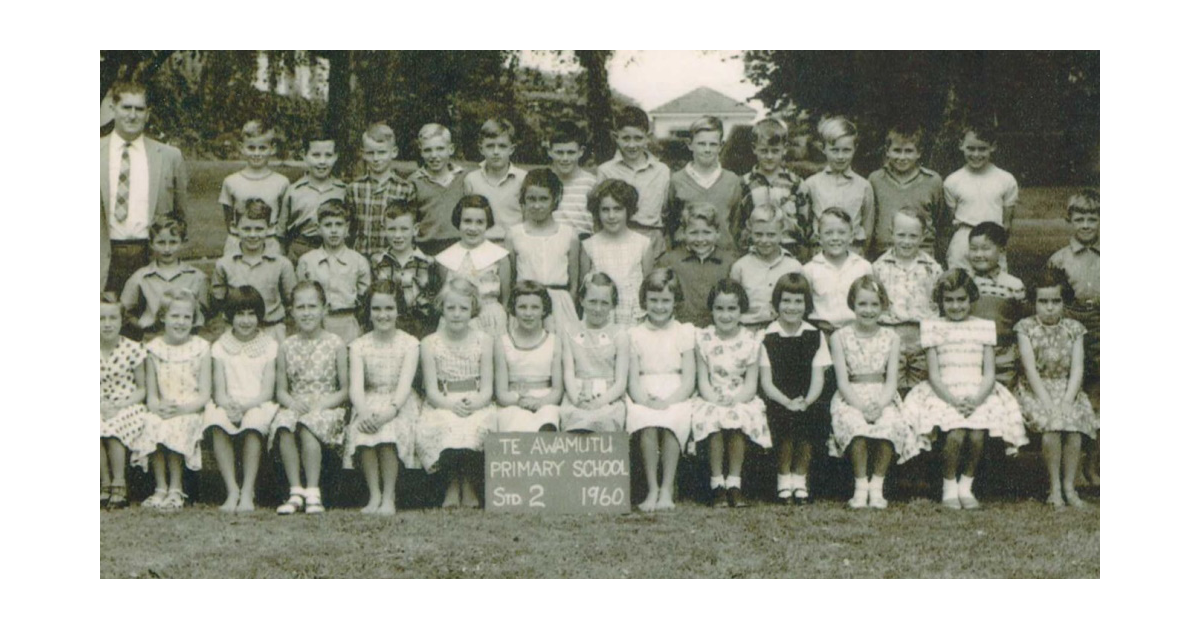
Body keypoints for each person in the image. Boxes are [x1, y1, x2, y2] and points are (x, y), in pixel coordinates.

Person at [902, 269, 1028, 509]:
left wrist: (977, 399)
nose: (955, 306)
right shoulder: (933, 326)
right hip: (943, 392)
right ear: (941, 301)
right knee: (956, 435)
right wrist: (953, 400)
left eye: (961, 299)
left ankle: (966, 486)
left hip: (978, 391)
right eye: (949, 300)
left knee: (977, 435)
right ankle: (949, 486)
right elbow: (934, 374)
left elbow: (989, 372)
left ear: (971, 299)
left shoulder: (983, 327)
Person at [828, 276, 918, 509]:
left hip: (882, 395)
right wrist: (860, 406)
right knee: (855, 425)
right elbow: (842, 381)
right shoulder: (839, 337)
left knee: (889, 424)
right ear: (853, 305)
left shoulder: (891, 337)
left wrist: (879, 405)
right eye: (862, 304)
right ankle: (861, 487)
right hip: (851, 396)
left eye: (874, 305)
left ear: (883, 306)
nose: (868, 310)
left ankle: (877, 486)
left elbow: (891, 381)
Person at [1014, 269, 1098, 508]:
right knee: (1052, 425)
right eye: (1043, 301)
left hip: (1067, 389)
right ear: (1034, 302)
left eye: (1055, 301)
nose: (1049, 307)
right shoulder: (1025, 328)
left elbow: (1077, 369)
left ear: (1064, 302)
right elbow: (1030, 370)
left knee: (1072, 426)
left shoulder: (1074, 328)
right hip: (1035, 389)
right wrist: (1050, 405)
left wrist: (1067, 401)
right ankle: (1054, 488)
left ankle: (1070, 486)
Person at [416, 279, 497, 508]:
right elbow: (431, 391)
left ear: (473, 309)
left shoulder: (485, 340)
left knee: (473, 425)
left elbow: (487, 388)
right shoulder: (429, 342)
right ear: (441, 308)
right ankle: (452, 484)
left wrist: (474, 403)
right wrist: (451, 405)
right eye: (450, 308)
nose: (456, 314)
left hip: (476, 400)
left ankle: (469, 485)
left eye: (463, 308)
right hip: (442, 402)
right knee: (446, 424)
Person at [102, 80, 189, 294]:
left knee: (150, 321)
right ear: (113, 109)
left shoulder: (169, 156)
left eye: (139, 109)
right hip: (103, 253)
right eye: (126, 107)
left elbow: (181, 215)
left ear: (147, 114)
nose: (132, 115)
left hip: (149, 255)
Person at [271, 281, 349, 515]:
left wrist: (324, 403)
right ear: (292, 311)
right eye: (301, 307)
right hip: (297, 404)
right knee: (284, 424)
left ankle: (313, 491)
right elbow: (281, 390)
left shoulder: (335, 343)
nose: (307, 313)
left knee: (308, 425)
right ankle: (296, 491)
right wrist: (292, 403)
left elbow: (344, 389)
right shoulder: (286, 346)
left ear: (325, 309)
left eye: (312, 306)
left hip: (328, 406)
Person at [345, 281, 422, 515]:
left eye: (389, 308)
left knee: (388, 432)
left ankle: (389, 496)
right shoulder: (359, 345)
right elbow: (356, 388)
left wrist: (390, 411)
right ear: (368, 311)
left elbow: (404, 386)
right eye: (376, 309)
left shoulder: (409, 343)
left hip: (400, 402)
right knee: (364, 430)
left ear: (398, 310)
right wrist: (364, 412)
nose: (383, 315)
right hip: (369, 399)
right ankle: (374, 494)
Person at [691, 279, 770, 508]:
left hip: (740, 395)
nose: (725, 315)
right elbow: (703, 379)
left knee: (738, 417)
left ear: (741, 310)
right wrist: (715, 399)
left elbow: (751, 383)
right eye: (720, 309)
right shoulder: (703, 338)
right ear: (712, 310)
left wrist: (735, 400)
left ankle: (734, 483)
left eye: (732, 309)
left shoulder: (751, 340)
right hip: (711, 394)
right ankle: (717, 484)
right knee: (713, 418)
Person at [202, 286, 279, 513]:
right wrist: (229, 406)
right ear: (230, 316)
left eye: (251, 314)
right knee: (216, 420)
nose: (246, 320)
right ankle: (232, 489)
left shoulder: (270, 346)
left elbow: (267, 391)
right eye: (239, 314)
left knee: (253, 423)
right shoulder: (220, 347)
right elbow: (219, 390)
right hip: (229, 402)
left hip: (257, 403)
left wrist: (246, 406)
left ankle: (247, 490)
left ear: (259, 316)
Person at [133, 288, 211, 511]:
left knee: (177, 424)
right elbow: (152, 395)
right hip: (163, 407)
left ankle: (176, 488)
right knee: (153, 422)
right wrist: (158, 408)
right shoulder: (154, 349)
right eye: (175, 316)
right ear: (163, 317)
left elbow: (204, 394)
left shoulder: (201, 348)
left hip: (190, 409)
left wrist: (182, 409)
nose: (181, 322)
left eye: (187, 317)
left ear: (193, 320)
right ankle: (160, 487)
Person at [626, 269, 696, 512]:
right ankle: (652, 487)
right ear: (644, 301)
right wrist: (644, 400)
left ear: (675, 302)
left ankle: (667, 487)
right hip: (645, 390)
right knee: (644, 419)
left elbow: (688, 379)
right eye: (653, 300)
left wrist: (669, 400)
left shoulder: (684, 331)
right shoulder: (634, 334)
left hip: (676, 391)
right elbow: (633, 379)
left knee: (673, 418)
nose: (659, 306)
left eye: (665, 301)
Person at [759, 273, 830, 504]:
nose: (792, 307)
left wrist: (806, 401)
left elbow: (818, 378)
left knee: (811, 418)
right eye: (786, 301)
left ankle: (800, 479)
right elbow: (766, 382)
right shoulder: (766, 336)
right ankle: (783, 479)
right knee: (784, 420)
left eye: (798, 301)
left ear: (807, 305)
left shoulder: (815, 335)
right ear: (776, 304)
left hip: (807, 396)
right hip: (778, 398)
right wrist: (787, 402)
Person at [1047, 189, 1100, 486]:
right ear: (1070, 220)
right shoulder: (1059, 260)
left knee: (1101, 400)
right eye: (1080, 218)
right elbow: (1052, 301)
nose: (1087, 224)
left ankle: (1094, 466)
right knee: (1076, 398)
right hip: (1073, 330)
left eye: (1093, 217)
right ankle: (1074, 469)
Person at [873, 207, 943, 395]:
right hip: (890, 333)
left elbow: (938, 305)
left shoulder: (933, 269)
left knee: (920, 388)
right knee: (892, 385)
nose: (906, 241)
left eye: (913, 236)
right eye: (901, 235)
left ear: (923, 236)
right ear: (891, 233)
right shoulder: (878, 268)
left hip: (922, 336)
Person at [506, 168, 581, 335]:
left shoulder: (569, 234)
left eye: (544, 199)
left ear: (555, 199)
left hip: (559, 304)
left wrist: (568, 305)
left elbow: (574, 282)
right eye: (531, 199)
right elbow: (510, 278)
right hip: (526, 303)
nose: (537, 205)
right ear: (523, 200)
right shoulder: (514, 234)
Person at [211, 199, 297, 344]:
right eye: (246, 229)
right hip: (236, 332)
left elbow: (291, 301)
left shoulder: (281, 264)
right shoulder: (224, 265)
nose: (252, 235)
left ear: (269, 228)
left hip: (271, 330)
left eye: (258, 229)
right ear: (234, 227)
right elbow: (219, 301)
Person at [580, 180, 656, 327]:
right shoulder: (589, 245)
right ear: (597, 211)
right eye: (605, 209)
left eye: (618, 209)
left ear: (628, 210)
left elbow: (648, 287)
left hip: (632, 316)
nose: (611, 215)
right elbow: (585, 289)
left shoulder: (643, 244)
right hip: (600, 314)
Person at [560, 273, 630, 433]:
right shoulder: (570, 331)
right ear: (582, 300)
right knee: (577, 423)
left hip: (608, 399)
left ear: (613, 305)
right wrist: (577, 400)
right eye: (592, 301)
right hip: (577, 396)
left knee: (602, 421)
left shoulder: (620, 334)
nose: (598, 309)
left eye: (604, 303)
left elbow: (620, 382)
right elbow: (569, 372)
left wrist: (599, 403)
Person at [596, 107, 669, 259]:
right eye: (626, 138)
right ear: (616, 137)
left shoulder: (662, 171)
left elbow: (667, 210)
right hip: (616, 240)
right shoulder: (606, 171)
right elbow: (598, 212)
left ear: (647, 137)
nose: (631, 145)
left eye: (638, 138)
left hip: (652, 240)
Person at [434, 195, 512, 337]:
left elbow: (506, 299)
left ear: (487, 224)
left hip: (490, 320)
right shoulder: (446, 258)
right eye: (467, 221)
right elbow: (445, 295)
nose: (473, 228)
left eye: (480, 222)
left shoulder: (499, 257)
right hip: (457, 319)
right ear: (459, 222)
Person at [943, 124, 1018, 270]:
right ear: (961, 145)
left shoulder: (1006, 180)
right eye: (971, 148)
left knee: (995, 286)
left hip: (993, 238)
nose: (976, 154)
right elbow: (950, 221)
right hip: (963, 240)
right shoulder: (952, 181)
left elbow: (1007, 223)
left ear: (993, 147)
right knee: (959, 285)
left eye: (982, 149)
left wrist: (996, 243)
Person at [120, 216, 208, 340]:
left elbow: (205, 313)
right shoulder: (140, 277)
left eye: (173, 242)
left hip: (187, 339)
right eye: (161, 243)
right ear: (151, 244)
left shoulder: (197, 277)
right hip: (152, 338)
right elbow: (124, 311)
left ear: (183, 243)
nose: (167, 249)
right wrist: (142, 325)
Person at [296, 199, 371, 345]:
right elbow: (301, 297)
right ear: (319, 228)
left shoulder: (358, 261)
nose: (334, 230)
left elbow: (365, 299)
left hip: (349, 323)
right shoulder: (307, 261)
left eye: (339, 224)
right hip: (317, 324)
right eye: (328, 225)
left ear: (347, 228)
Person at [100, 293, 150, 510]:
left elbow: (142, 389)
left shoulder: (133, 349)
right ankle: (104, 483)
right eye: (101, 319)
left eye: (113, 318)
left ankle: (120, 483)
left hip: (129, 405)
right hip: (99, 404)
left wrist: (120, 405)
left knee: (113, 427)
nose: (107, 324)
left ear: (122, 321)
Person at [735, 117, 811, 260]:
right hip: (754, 253)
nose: (769, 156)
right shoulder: (744, 184)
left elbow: (805, 225)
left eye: (775, 151)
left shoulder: (796, 184)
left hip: (789, 253)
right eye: (764, 150)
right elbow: (738, 225)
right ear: (754, 149)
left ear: (785, 149)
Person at [867, 124, 944, 261]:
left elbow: (941, 221)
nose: (902, 157)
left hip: (922, 254)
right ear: (887, 151)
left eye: (908, 151)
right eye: (897, 150)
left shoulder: (933, 181)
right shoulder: (876, 180)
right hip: (883, 254)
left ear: (919, 153)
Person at [494, 281, 563, 432]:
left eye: (535, 307)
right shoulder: (503, 342)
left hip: (546, 402)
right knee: (517, 421)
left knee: (548, 419)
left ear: (544, 310)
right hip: (513, 403)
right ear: (513, 309)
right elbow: (501, 392)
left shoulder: (554, 342)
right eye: (522, 307)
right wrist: (519, 401)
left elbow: (557, 390)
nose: (528, 313)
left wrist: (540, 402)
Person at [665, 116, 741, 250]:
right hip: (687, 258)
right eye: (701, 144)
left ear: (721, 146)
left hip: (723, 258)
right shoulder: (676, 180)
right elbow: (670, 222)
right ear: (690, 144)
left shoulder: (732, 181)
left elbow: (736, 224)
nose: (707, 149)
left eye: (713, 144)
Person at [656, 202, 736, 328]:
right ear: (683, 232)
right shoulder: (669, 261)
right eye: (693, 233)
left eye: (706, 232)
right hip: (679, 329)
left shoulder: (730, 262)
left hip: (718, 330)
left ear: (718, 233)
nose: (700, 239)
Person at [966, 222, 1026, 390]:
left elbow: (1020, 321)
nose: (978, 254)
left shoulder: (1013, 285)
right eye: (973, 248)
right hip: (970, 354)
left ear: (1001, 250)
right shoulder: (964, 282)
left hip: (1003, 356)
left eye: (985, 248)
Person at [219, 120, 289, 257]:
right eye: (251, 148)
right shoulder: (231, 182)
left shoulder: (281, 182)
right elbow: (228, 218)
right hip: (238, 243)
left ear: (272, 148)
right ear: (241, 147)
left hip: (270, 243)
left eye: (262, 148)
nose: (257, 154)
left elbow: (283, 219)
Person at [804, 116, 874, 254]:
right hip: (820, 253)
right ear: (823, 148)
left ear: (855, 148)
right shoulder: (811, 184)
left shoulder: (864, 186)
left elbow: (868, 229)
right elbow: (806, 224)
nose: (840, 156)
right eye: (835, 150)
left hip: (854, 252)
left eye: (846, 150)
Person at [346, 122, 417, 258]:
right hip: (361, 258)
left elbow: (410, 231)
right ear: (363, 153)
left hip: (391, 260)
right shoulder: (354, 189)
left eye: (382, 152)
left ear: (394, 152)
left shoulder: (405, 189)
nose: (376, 158)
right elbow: (350, 230)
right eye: (370, 153)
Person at [730, 205, 803, 331]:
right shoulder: (740, 267)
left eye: (771, 235)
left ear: (781, 233)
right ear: (750, 231)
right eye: (758, 234)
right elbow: (733, 305)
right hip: (748, 330)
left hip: (784, 330)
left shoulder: (794, 266)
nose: (764, 240)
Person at [371, 202, 439, 338]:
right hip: (388, 326)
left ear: (415, 229)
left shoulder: (428, 263)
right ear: (384, 230)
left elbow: (434, 301)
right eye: (392, 229)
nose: (397, 235)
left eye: (404, 229)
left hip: (422, 328)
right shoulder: (377, 262)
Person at [803, 208, 873, 337]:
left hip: (857, 332)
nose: (835, 238)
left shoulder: (863, 267)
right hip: (823, 334)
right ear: (819, 237)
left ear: (851, 236)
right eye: (828, 233)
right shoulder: (810, 270)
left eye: (842, 232)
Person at [281, 136, 345, 263]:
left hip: (334, 252)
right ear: (304, 155)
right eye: (316, 155)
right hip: (301, 249)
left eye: (328, 155)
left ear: (336, 156)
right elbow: (281, 233)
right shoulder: (294, 191)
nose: (322, 161)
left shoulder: (343, 191)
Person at [409, 123, 467, 257]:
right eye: (428, 150)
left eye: (440, 149)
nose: (434, 155)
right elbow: (411, 221)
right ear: (421, 151)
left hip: (458, 246)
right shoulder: (414, 181)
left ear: (451, 149)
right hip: (426, 248)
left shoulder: (463, 178)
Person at [464, 118, 527, 240]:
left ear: (512, 149)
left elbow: (528, 219)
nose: (496, 152)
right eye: (490, 146)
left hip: (514, 244)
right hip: (481, 245)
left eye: (502, 146)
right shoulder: (471, 180)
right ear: (481, 149)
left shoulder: (523, 179)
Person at [547, 120, 598, 240]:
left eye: (571, 152)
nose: (565, 158)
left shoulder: (592, 184)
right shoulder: (543, 181)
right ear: (550, 152)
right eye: (559, 152)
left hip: (583, 246)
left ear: (581, 152)